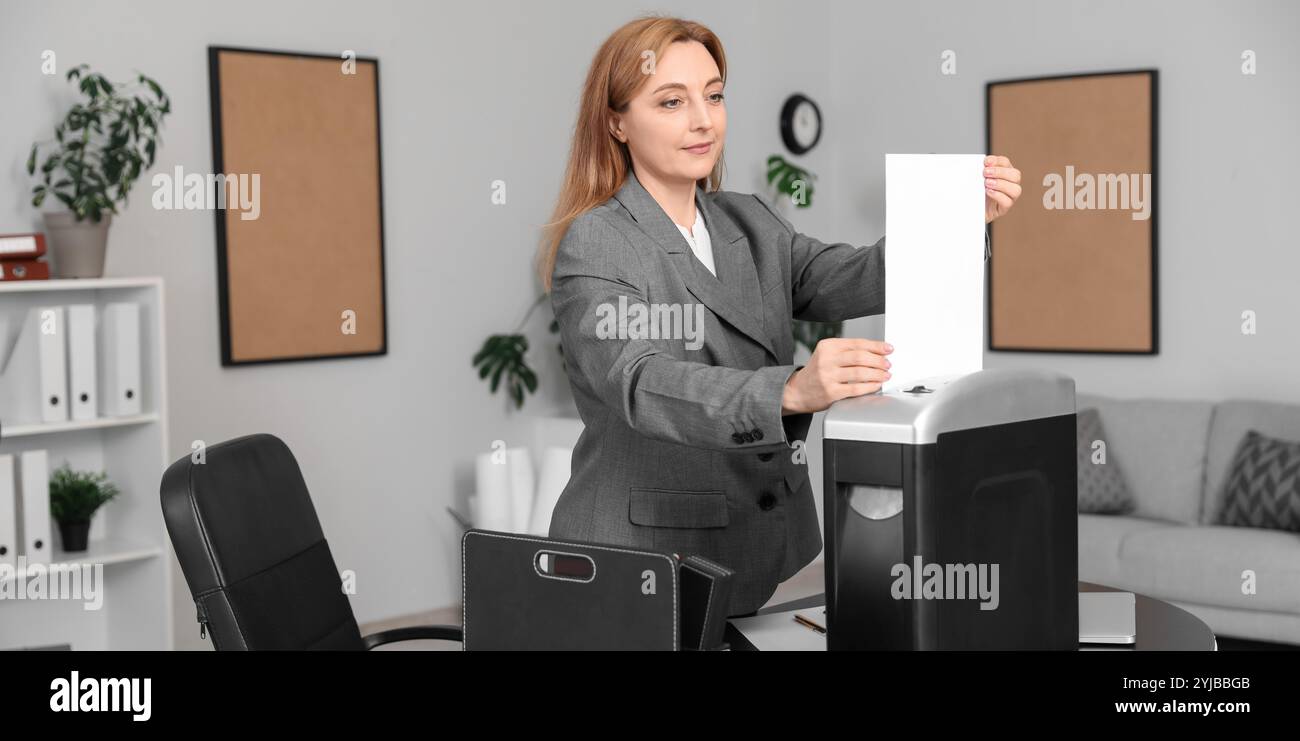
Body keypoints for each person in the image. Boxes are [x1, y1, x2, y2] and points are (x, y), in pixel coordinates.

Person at [537, 15, 1021, 618]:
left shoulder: (746, 220)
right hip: (641, 560)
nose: (702, 120)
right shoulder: (599, 241)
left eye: (714, 96)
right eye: (671, 101)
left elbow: (852, 276)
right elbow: (641, 380)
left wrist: (956, 221)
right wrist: (789, 390)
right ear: (616, 121)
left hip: (743, 549)